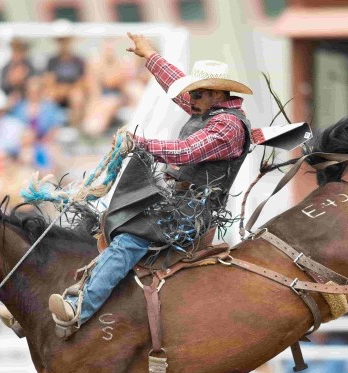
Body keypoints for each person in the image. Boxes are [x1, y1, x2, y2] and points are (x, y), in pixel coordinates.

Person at [46, 32, 252, 338]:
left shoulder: (227, 126)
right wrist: (149, 55)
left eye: (197, 94)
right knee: (104, 220)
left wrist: (138, 142)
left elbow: (186, 152)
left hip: (190, 213)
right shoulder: (211, 109)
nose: (189, 99)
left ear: (217, 94)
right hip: (178, 202)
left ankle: (80, 308)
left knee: (130, 238)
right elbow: (177, 86)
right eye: (192, 94)